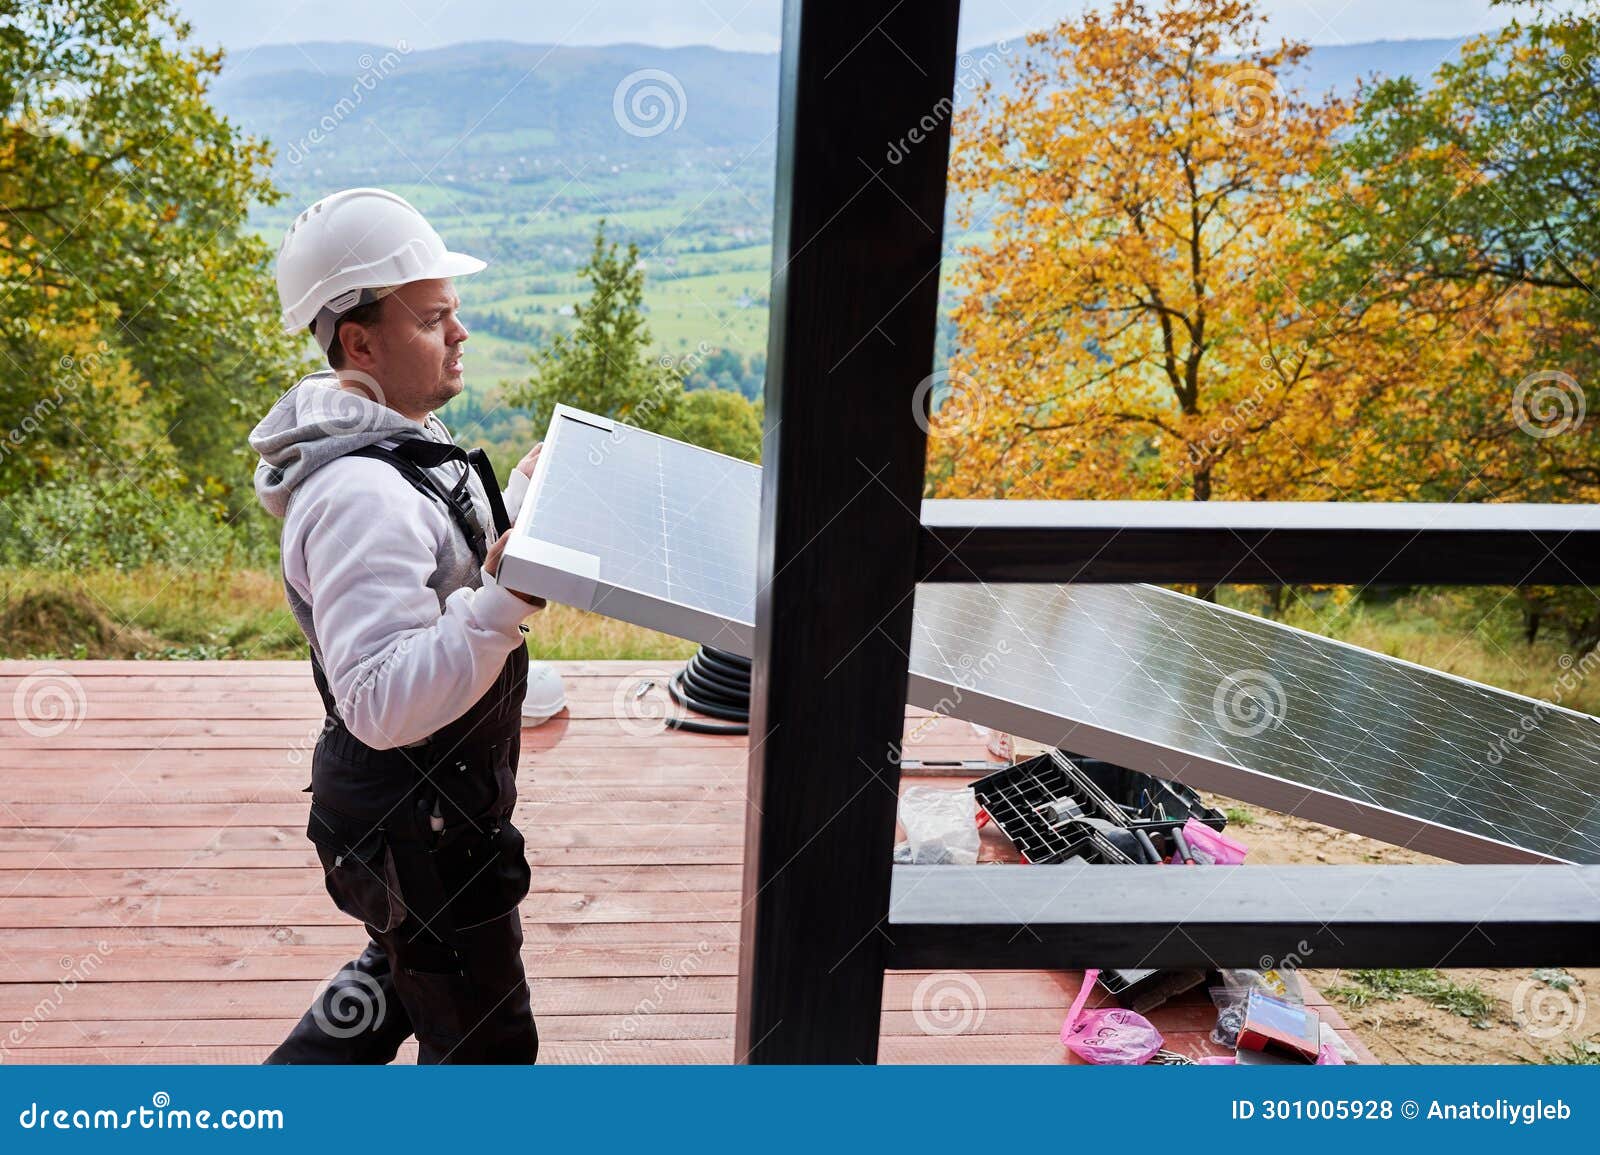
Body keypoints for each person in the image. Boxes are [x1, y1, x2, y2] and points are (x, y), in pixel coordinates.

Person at [250, 187, 544, 1063]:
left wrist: (528, 500)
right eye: (434, 319)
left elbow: (442, 564)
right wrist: (504, 605)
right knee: (488, 1052)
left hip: (427, 817)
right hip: (417, 829)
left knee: (394, 981)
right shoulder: (357, 494)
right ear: (360, 342)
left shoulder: (394, 432)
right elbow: (378, 700)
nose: (460, 334)